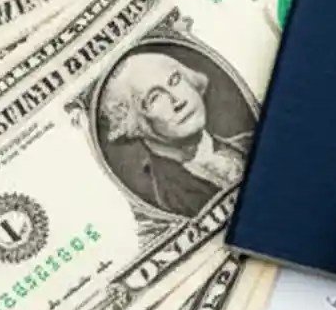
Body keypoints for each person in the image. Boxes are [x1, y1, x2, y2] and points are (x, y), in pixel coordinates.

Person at [99, 51, 250, 216]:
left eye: (175, 80)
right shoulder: (163, 202)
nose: (178, 101)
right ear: (134, 125)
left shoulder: (249, 142)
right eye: (154, 98)